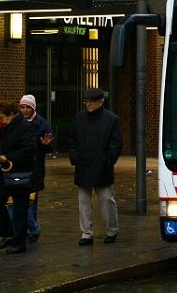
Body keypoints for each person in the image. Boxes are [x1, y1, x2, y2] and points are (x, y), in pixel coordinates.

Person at [68, 88, 122, 246]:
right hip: (85, 165)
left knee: (106, 201)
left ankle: (111, 230)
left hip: (100, 166)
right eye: (87, 101)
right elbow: (71, 139)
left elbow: (116, 144)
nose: (88, 104)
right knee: (84, 202)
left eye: (91, 101)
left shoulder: (111, 119)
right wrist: (75, 157)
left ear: (101, 102)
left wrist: (108, 161)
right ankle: (87, 232)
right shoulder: (80, 119)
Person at [7, 95, 53, 243]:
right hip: (17, 168)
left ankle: (31, 229)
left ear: (33, 108)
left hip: (34, 169)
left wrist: (45, 145)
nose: (25, 110)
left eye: (27, 107)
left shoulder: (42, 124)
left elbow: (49, 148)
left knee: (31, 202)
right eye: (22, 107)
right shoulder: (15, 123)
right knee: (15, 201)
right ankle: (21, 230)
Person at [0, 101, 37, 254]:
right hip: (3, 175)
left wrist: (8, 157)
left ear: (10, 115)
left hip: (19, 176)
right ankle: (8, 234)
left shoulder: (23, 128)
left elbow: (29, 150)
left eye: (1, 118)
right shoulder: (5, 128)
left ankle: (19, 241)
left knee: (19, 208)